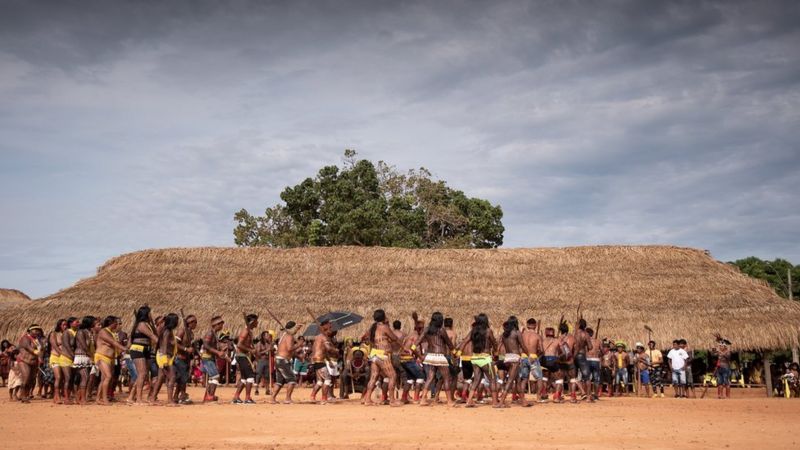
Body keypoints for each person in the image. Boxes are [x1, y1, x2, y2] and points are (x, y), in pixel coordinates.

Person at [414, 311, 456, 407]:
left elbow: (418, 341)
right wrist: (455, 353)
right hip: (440, 356)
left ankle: (423, 399)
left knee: (430, 377)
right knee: (446, 378)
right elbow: (449, 343)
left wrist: (413, 349)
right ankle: (449, 401)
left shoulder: (427, 329)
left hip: (430, 356)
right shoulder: (441, 330)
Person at [362, 309, 402, 406]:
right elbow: (394, 338)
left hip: (374, 354)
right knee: (392, 376)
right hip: (382, 354)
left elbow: (363, 337)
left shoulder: (372, 328)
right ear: (383, 317)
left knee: (373, 377)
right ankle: (392, 400)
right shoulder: (384, 327)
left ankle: (367, 399)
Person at [463, 313, 498, 408]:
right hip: (485, 359)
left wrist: (457, 352)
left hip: (474, 358)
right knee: (493, 380)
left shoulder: (473, 331)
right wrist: (495, 352)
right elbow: (494, 343)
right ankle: (495, 402)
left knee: (476, 380)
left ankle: (469, 401)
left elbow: (465, 341)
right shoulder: (488, 331)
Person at [128, 306, 158, 405]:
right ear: (146, 314)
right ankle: (139, 399)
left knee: (143, 374)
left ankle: (131, 397)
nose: (151, 315)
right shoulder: (141, 324)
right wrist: (162, 344)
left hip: (146, 349)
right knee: (142, 374)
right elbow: (152, 336)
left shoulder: (147, 324)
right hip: (138, 349)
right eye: (149, 313)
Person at [499, 316, 531, 407]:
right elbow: (523, 345)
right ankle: (501, 402)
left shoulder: (504, 334)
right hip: (515, 358)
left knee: (517, 380)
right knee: (510, 380)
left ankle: (523, 401)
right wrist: (528, 354)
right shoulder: (517, 333)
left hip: (508, 357)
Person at [94, 316, 127, 405]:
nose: (117, 324)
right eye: (116, 322)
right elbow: (113, 342)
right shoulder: (103, 331)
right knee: (108, 377)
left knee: (104, 378)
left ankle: (98, 398)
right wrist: (124, 349)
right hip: (102, 356)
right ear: (111, 323)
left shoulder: (112, 332)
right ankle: (105, 399)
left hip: (110, 358)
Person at [150, 313, 180, 405]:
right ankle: (170, 400)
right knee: (172, 377)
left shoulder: (167, 330)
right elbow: (164, 345)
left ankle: (152, 398)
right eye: (176, 321)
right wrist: (164, 359)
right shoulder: (167, 331)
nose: (178, 322)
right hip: (164, 356)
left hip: (165, 356)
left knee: (160, 378)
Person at [271, 321, 304, 404]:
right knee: (292, 379)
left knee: (280, 381)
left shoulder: (284, 336)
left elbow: (289, 351)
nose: (297, 331)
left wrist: (298, 356)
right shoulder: (289, 336)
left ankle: (272, 398)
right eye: (296, 328)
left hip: (279, 359)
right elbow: (289, 348)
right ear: (292, 328)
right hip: (282, 360)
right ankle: (287, 399)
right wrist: (299, 345)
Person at [231, 314, 258, 404]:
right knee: (250, 376)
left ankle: (236, 397)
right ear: (252, 322)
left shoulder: (249, 331)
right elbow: (239, 344)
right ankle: (247, 398)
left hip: (243, 355)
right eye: (256, 321)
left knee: (244, 378)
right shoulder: (246, 331)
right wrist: (250, 350)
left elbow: (244, 344)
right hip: (242, 356)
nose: (257, 323)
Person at [309, 319, 337, 404]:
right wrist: (335, 350)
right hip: (319, 361)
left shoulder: (318, 337)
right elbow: (328, 349)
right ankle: (324, 399)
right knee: (328, 380)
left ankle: (312, 396)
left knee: (320, 381)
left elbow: (323, 351)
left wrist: (329, 361)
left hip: (316, 360)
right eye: (329, 325)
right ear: (325, 327)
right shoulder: (324, 337)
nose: (331, 327)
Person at [399, 313, 426, 403]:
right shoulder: (416, 337)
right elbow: (415, 350)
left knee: (410, 379)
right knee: (420, 376)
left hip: (403, 359)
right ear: (419, 328)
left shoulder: (408, 335)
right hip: (409, 359)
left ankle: (404, 398)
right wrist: (421, 357)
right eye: (422, 328)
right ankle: (416, 398)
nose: (423, 331)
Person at [201, 316, 228, 402]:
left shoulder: (214, 333)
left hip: (210, 357)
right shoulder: (210, 333)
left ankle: (208, 395)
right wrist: (217, 352)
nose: (222, 326)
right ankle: (210, 395)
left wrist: (221, 349)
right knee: (215, 376)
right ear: (216, 324)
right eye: (221, 324)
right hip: (207, 357)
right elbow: (205, 345)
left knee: (213, 377)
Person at [16, 324, 43, 403]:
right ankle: (23, 396)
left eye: (38, 330)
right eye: (35, 330)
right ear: (29, 330)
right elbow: (28, 347)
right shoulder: (25, 338)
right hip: (24, 360)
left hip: (34, 362)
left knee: (31, 379)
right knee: (26, 377)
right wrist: (36, 351)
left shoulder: (37, 340)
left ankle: (25, 395)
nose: (37, 331)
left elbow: (41, 350)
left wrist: (40, 358)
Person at [174, 314, 197, 404]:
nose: (196, 324)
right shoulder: (182, 331)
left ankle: (176, 396)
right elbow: (175, 343)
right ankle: (182, 396)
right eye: (195, 322)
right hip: (180, 358)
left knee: (183, 379)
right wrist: (186, 349)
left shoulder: (191, 333)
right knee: (182, 379)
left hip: (186, 359)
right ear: (190, 323)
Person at [73, 316, 96, 405]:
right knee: (85, 377)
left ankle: (79, 398)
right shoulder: (80, 332)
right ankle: (82, 399)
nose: (94, 323)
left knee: (86, 377)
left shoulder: (89, 332)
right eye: (94, 322)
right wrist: (91, 356)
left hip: (87, 356)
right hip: (81, 356)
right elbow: (83, 345)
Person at [558, 321, 579, 403]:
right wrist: (573, 357)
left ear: (560, 330)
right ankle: (573, 397)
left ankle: (558, 396)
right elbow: (576, 350)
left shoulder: (559, 339)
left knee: (560, 380)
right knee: (573, 379)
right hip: (570, 361)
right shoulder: (573, 338)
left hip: (561, 362)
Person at [573, 318, 593, 403]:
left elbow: (573, 346)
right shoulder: (586, 334)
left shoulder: (574, 334)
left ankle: (573, 397)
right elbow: (590, 347)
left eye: (577, 324)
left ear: (579, 325)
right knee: (587, 377)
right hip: (581, 355)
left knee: (573, 377)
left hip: (574, 356)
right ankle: (588, 397)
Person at [541, 327, 562, 402]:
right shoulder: (557, 340)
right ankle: (556, 397)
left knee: (544, 379)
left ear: (546, 333)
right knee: (559, 379)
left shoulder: (542, 341)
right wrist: (558, 357)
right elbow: (563, 351)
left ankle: (543, 396)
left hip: (544, 360)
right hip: (553, 359)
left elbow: (539, 350)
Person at [47, 319, 66, 404]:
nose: (65, 326)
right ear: (59, 325)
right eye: (63, 325)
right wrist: (61, 354)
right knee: (58, 377)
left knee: (63, 377)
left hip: (65, 357)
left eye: (66, 325)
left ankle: (57, 395)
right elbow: (54, 345)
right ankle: (57, 395)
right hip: (56, 357)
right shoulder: (53, 334)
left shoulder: (66, 334)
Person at [585, 327, 601, 401]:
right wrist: (598, 355)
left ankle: (588, 395)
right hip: (596, 360)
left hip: (588, 360)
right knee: (596, 379)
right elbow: (603, 351)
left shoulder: (585, 341)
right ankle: (596, 395)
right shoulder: (598, 341)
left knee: (587, 378)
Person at [255, 330, 272, 396]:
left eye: (268, 335)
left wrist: (271, 349)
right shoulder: (259, 343)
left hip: (267, 361)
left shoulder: (269, 343)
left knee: (267, 376)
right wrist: (266, 351)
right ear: (263, 336)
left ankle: (267, 390)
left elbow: (271, 351)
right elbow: (258, 353)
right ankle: (256, 389)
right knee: (258, 375)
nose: (268, 336)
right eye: (266, 335)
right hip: (261, 361)